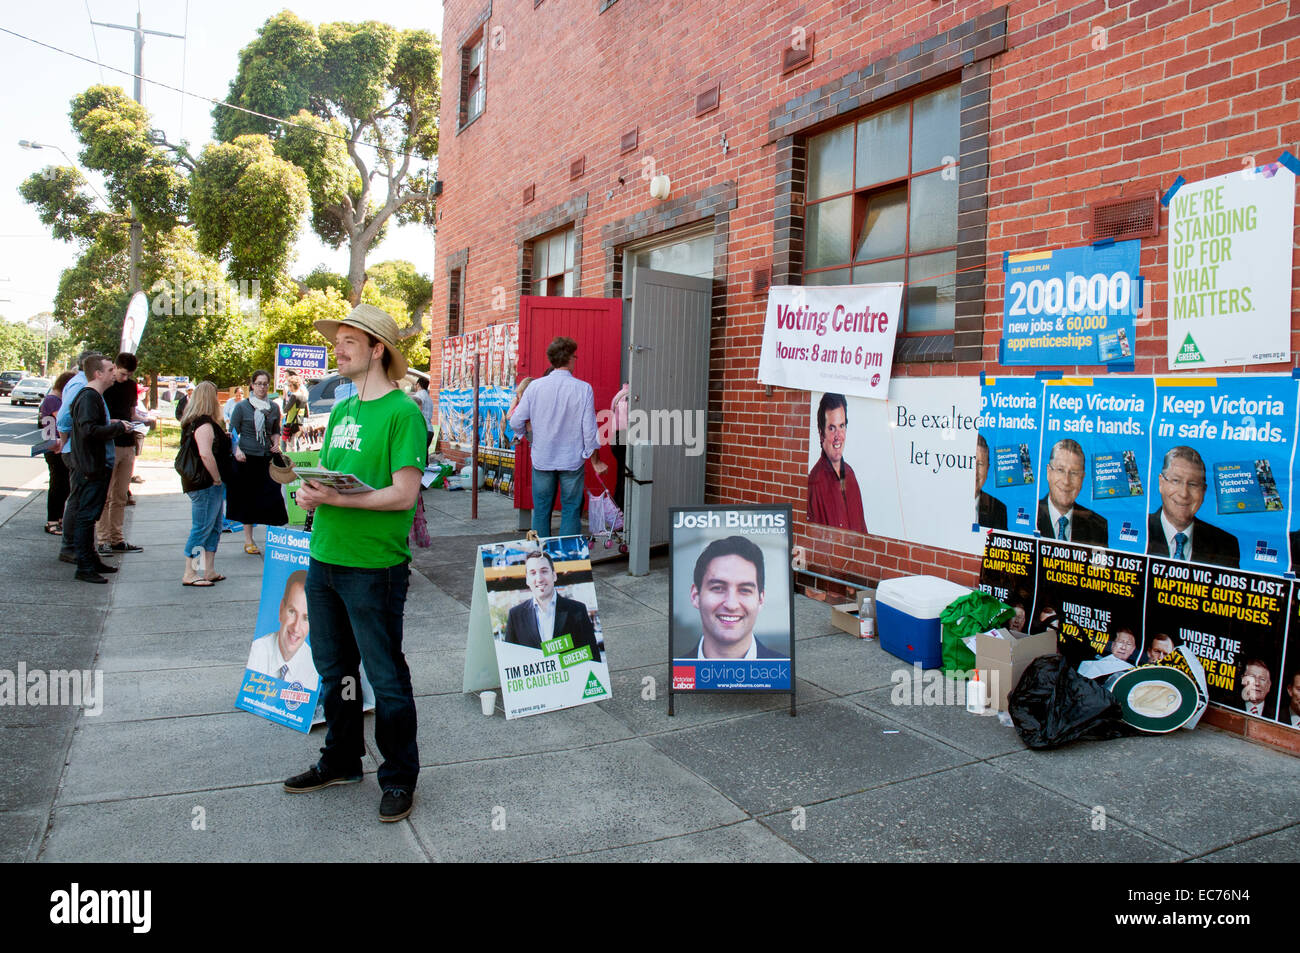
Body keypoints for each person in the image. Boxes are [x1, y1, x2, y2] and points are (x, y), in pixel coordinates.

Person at [283, 303, 427, 824]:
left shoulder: (404, 412)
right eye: (335, 341)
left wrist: (338, 501)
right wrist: (310, 494)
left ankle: (399, 777)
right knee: (335, 671)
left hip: (374, 567)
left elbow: (404, 495)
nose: (337, 349)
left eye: (349, 341)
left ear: (377, 349)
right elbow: (332, 479)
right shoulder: (341, 410)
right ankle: (342, 760)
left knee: (386, 678)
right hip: (323, 559)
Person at [508, 337, 606, 538]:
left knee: (541, 509)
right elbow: (589, 430)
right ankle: (567, 560)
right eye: (574, 356)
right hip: (572, 459)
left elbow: (515, 420)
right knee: (571, 508)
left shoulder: (535, 387)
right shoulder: (583, 388)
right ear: (570, 359)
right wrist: (594, 459)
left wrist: (524, 435)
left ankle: (540, 556)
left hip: (543, 457)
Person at [67, 355, 129, 583]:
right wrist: (117, 428)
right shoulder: (88, 397)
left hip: (93, 465)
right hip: (90, 467)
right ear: (97, 373)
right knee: (86, 516)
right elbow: (88, 431)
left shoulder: (92, 397)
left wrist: (110, 425)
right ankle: (84, 566)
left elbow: (90, 427)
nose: (114, 373)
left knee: (90, 516)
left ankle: (90, 560)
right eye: (110, 369)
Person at [682, 535, 787, 660]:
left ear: (760, 600)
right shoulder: (679, 672)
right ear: (696, 596)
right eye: (718, 588)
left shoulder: (782, 671)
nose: (731, 605)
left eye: (745, 590)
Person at [1147, 446, 1239, 568]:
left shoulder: (1226, 544)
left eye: (1193, 484)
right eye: (1176, 481)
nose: (1184, 493)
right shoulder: (1140, 528)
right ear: (1161, 483)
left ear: (1203, 491)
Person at [227, 370, 288, 555]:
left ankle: (273, 538)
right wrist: (237, 449)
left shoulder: (273, 408)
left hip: (267, 458)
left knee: (273, 497)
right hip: (247, 458)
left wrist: (276, 443)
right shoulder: (242, 407)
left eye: (265, 384)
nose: (262, 387)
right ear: (252, 385)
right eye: (259, 383)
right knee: (248, 500)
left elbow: (276, 430)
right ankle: (248, 540)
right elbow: (232, 432)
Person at [504, 550, 602, 661]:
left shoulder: (577, 610)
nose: (539, 579)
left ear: (554, 575)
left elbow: (593, 657)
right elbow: (511, 660)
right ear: (527, 579)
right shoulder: (515, 615)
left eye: (544, 571)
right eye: (533, 573)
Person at [95, 352, 148, 555]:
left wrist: (144, 418)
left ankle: (117, 538)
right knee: (106, 495)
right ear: (115, 367)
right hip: (110, 442)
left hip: (128, 442)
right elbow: (98, 418)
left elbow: (132, 412)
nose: (124, 378)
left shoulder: (130, 386)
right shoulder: (105, 386)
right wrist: (116, 423)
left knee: (120, 495)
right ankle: (103, 539)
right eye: (123, 374)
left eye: (128, 375)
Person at [179, 382, 232, 587]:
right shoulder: (204, 424)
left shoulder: (196, 422)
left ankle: (208, 570)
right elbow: (205, 454)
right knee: (202, 528)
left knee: (214, 527)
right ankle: (190, 572)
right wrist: (217, 478)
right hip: (206, 484)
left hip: (204, 484)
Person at [55, 350, 103, 564]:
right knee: (78, 500)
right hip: (77, 452)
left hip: (78, 450)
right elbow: (64, 418)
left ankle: (79, 547)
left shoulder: (84, 384)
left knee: (81, 500)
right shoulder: (79, 385)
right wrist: (66, 442)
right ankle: (71, 547)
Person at [246, 570, 318, 689]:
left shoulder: (313, 666)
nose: (296, 627)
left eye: (306, 618)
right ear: (281, 610)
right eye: (292, 612)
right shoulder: (258, 651)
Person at [807, 392, 867, 533]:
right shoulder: (814, 484)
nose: (838, 436)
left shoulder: (850, 475)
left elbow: (863, 532)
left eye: (841, 426)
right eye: (832, 428)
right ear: (821, 433)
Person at [1036, 438, 1108, 545]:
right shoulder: (1032, 514)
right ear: (1049, 472)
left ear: (1082, 478)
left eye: (1074, 473)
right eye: (1060, 470)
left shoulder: (1098, 526)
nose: (1066, 481)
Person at [39, 371, 76, 536]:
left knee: (63, 484)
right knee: (58, 484)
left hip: (58, 446)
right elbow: (63, 419)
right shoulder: (53, 400)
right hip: (54, 447)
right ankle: (52, 520)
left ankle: (58, 517)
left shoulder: (54, 399)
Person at [975, 433, 1007, 530]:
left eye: (980, 464)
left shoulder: (998, 509)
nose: (975, 471)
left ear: (987, 469)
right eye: (969, 462)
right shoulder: (946, 500)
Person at [282, 373, 310, 450]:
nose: (289, 387)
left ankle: (292, 461)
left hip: (291, 422)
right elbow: (307, 412)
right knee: (299, 445)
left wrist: (284, 400)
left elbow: (285, 409)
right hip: (300, 423)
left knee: (291, 445)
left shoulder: (294, 396)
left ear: (294, 385)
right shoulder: (303, 396)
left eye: (290, 385)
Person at [411, 377, 435, 451]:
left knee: (418, 457)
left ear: (418, 384)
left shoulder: (418, 396)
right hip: (430, 430)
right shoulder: (429, 398)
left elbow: (416, 412)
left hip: (421, 430)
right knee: (424, 457)